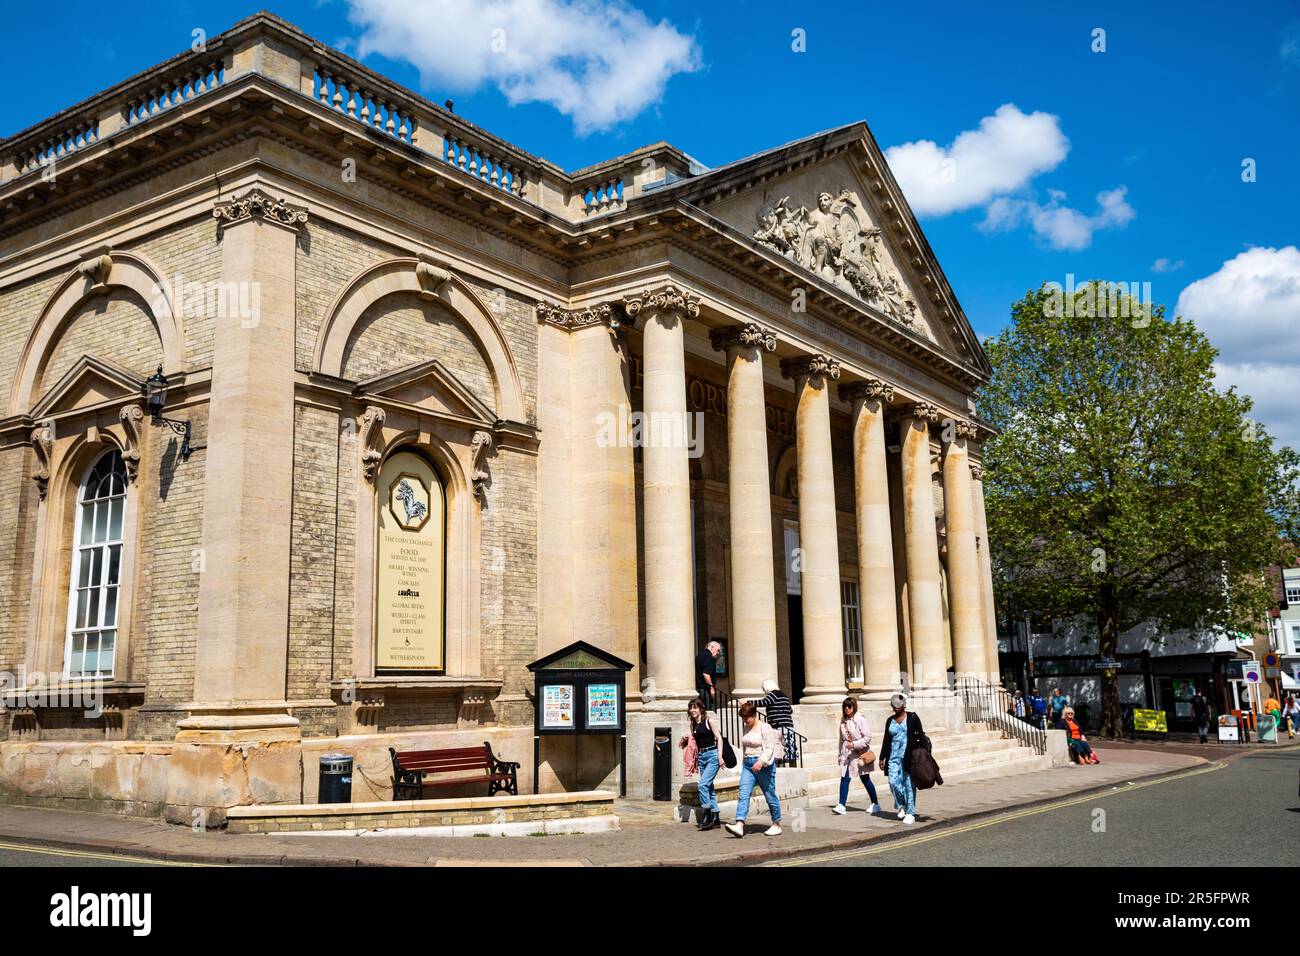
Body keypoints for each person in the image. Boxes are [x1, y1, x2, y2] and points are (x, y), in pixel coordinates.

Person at [724, 701, 783, 838]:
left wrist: (761, 761)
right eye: (743, 718)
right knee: (743, 793)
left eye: (747, 718)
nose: (745, 721)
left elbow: (769, 747)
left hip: (763, 765)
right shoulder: (747, 727)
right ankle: (739, 824)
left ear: (754, 715)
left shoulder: (765, 727)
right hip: (748, 765)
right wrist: (744, 760)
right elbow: (745, 744)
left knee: (769, 794)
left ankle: (776, 824)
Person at [877, 693, 924, 824]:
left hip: (909, 756)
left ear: (904, 705)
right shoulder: (889, 720)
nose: (896, 707)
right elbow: (886, 739)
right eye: (894, 705)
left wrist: (924, 755)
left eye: (898, 705)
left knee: (909, 784)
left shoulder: (912, 717)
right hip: (893, 756)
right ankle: (901, 805)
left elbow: (920, 735)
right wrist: (882, 757)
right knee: (893, 782)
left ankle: (911, 812)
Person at [678, 698, 723, 831]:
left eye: (695, 707)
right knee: (709, 788)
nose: (692, 710)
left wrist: (720, 757)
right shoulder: (694, 724)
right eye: (690, 708)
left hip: (713, 756)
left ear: (701, 708)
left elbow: (719, 738)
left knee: (702, 785)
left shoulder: (709, 721)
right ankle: (716, 818)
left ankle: (707, 813)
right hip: (702, 757)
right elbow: (696, 742)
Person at [834, 697, 881, 816]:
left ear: (854, 707)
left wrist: (854, 744)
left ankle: (875, 803)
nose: (846, 709)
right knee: (844, 777)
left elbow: (867, 737)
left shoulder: (860, 719)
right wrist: (840, 754)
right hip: (846, 754)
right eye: (845, 706)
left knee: (865, 778)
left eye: (849, 706)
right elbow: (841, 739)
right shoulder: (843, 721)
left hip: (859, 753)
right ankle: (841, 805)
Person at [756, 678, 798, 765]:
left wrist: (748, 702)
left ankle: (777, 764)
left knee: (776, 746)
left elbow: (764, 702)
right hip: (788, 725)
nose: (764, 691)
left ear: (767, 687)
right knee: (790, 746)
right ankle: (792, 765)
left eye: (763, 689)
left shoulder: (773, 695)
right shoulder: (783, 695)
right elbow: (790, 710)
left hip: (778, 725)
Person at [695, 641, 721, 709]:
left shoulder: (699, 655)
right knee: (710, 710)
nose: (718, 653)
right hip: (705, 689)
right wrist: (711, 688)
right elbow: (706, 674)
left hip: (698, 688)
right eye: (718, 650)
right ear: (712, 648)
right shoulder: (709, 657)